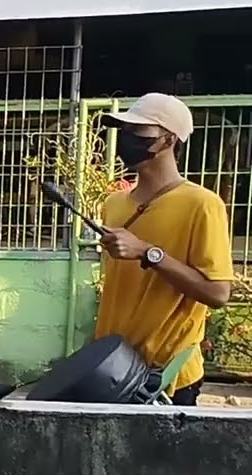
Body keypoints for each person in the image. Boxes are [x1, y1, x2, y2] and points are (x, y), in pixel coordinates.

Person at [96, 93, 235, 405]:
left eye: (138, 132)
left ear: (168, 140)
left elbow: (218, 293)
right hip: (111, 370)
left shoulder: (202, 204)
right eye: (124, 131)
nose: (126, 140)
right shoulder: (114, 204)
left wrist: (148, 253)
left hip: (166, 378)